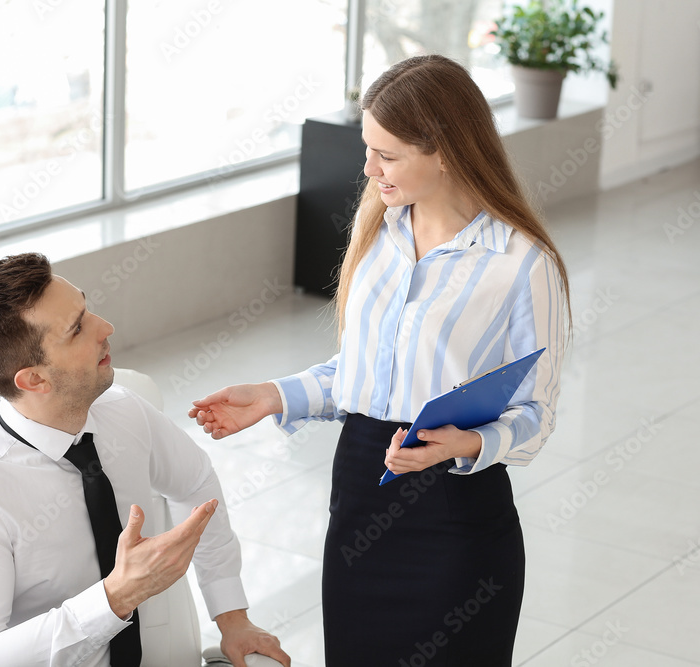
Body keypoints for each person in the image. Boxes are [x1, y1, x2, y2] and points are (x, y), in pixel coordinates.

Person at [189, 55, 570, 665]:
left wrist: (462, 446)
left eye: (386, 155)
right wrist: (275, 396)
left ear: (445, 150)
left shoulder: (522, 264)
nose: (368, 169)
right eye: (368, 149)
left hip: (455, 518)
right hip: (361, 494)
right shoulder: (379, 234)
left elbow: (536, 415)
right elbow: (363, 375)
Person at [0, 253, 290, 667]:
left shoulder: (122, 410)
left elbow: (195, 481)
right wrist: (116, 597)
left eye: (86, 306)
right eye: (77, 328)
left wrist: (232, 617)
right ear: (34, 379)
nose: (105, 327)